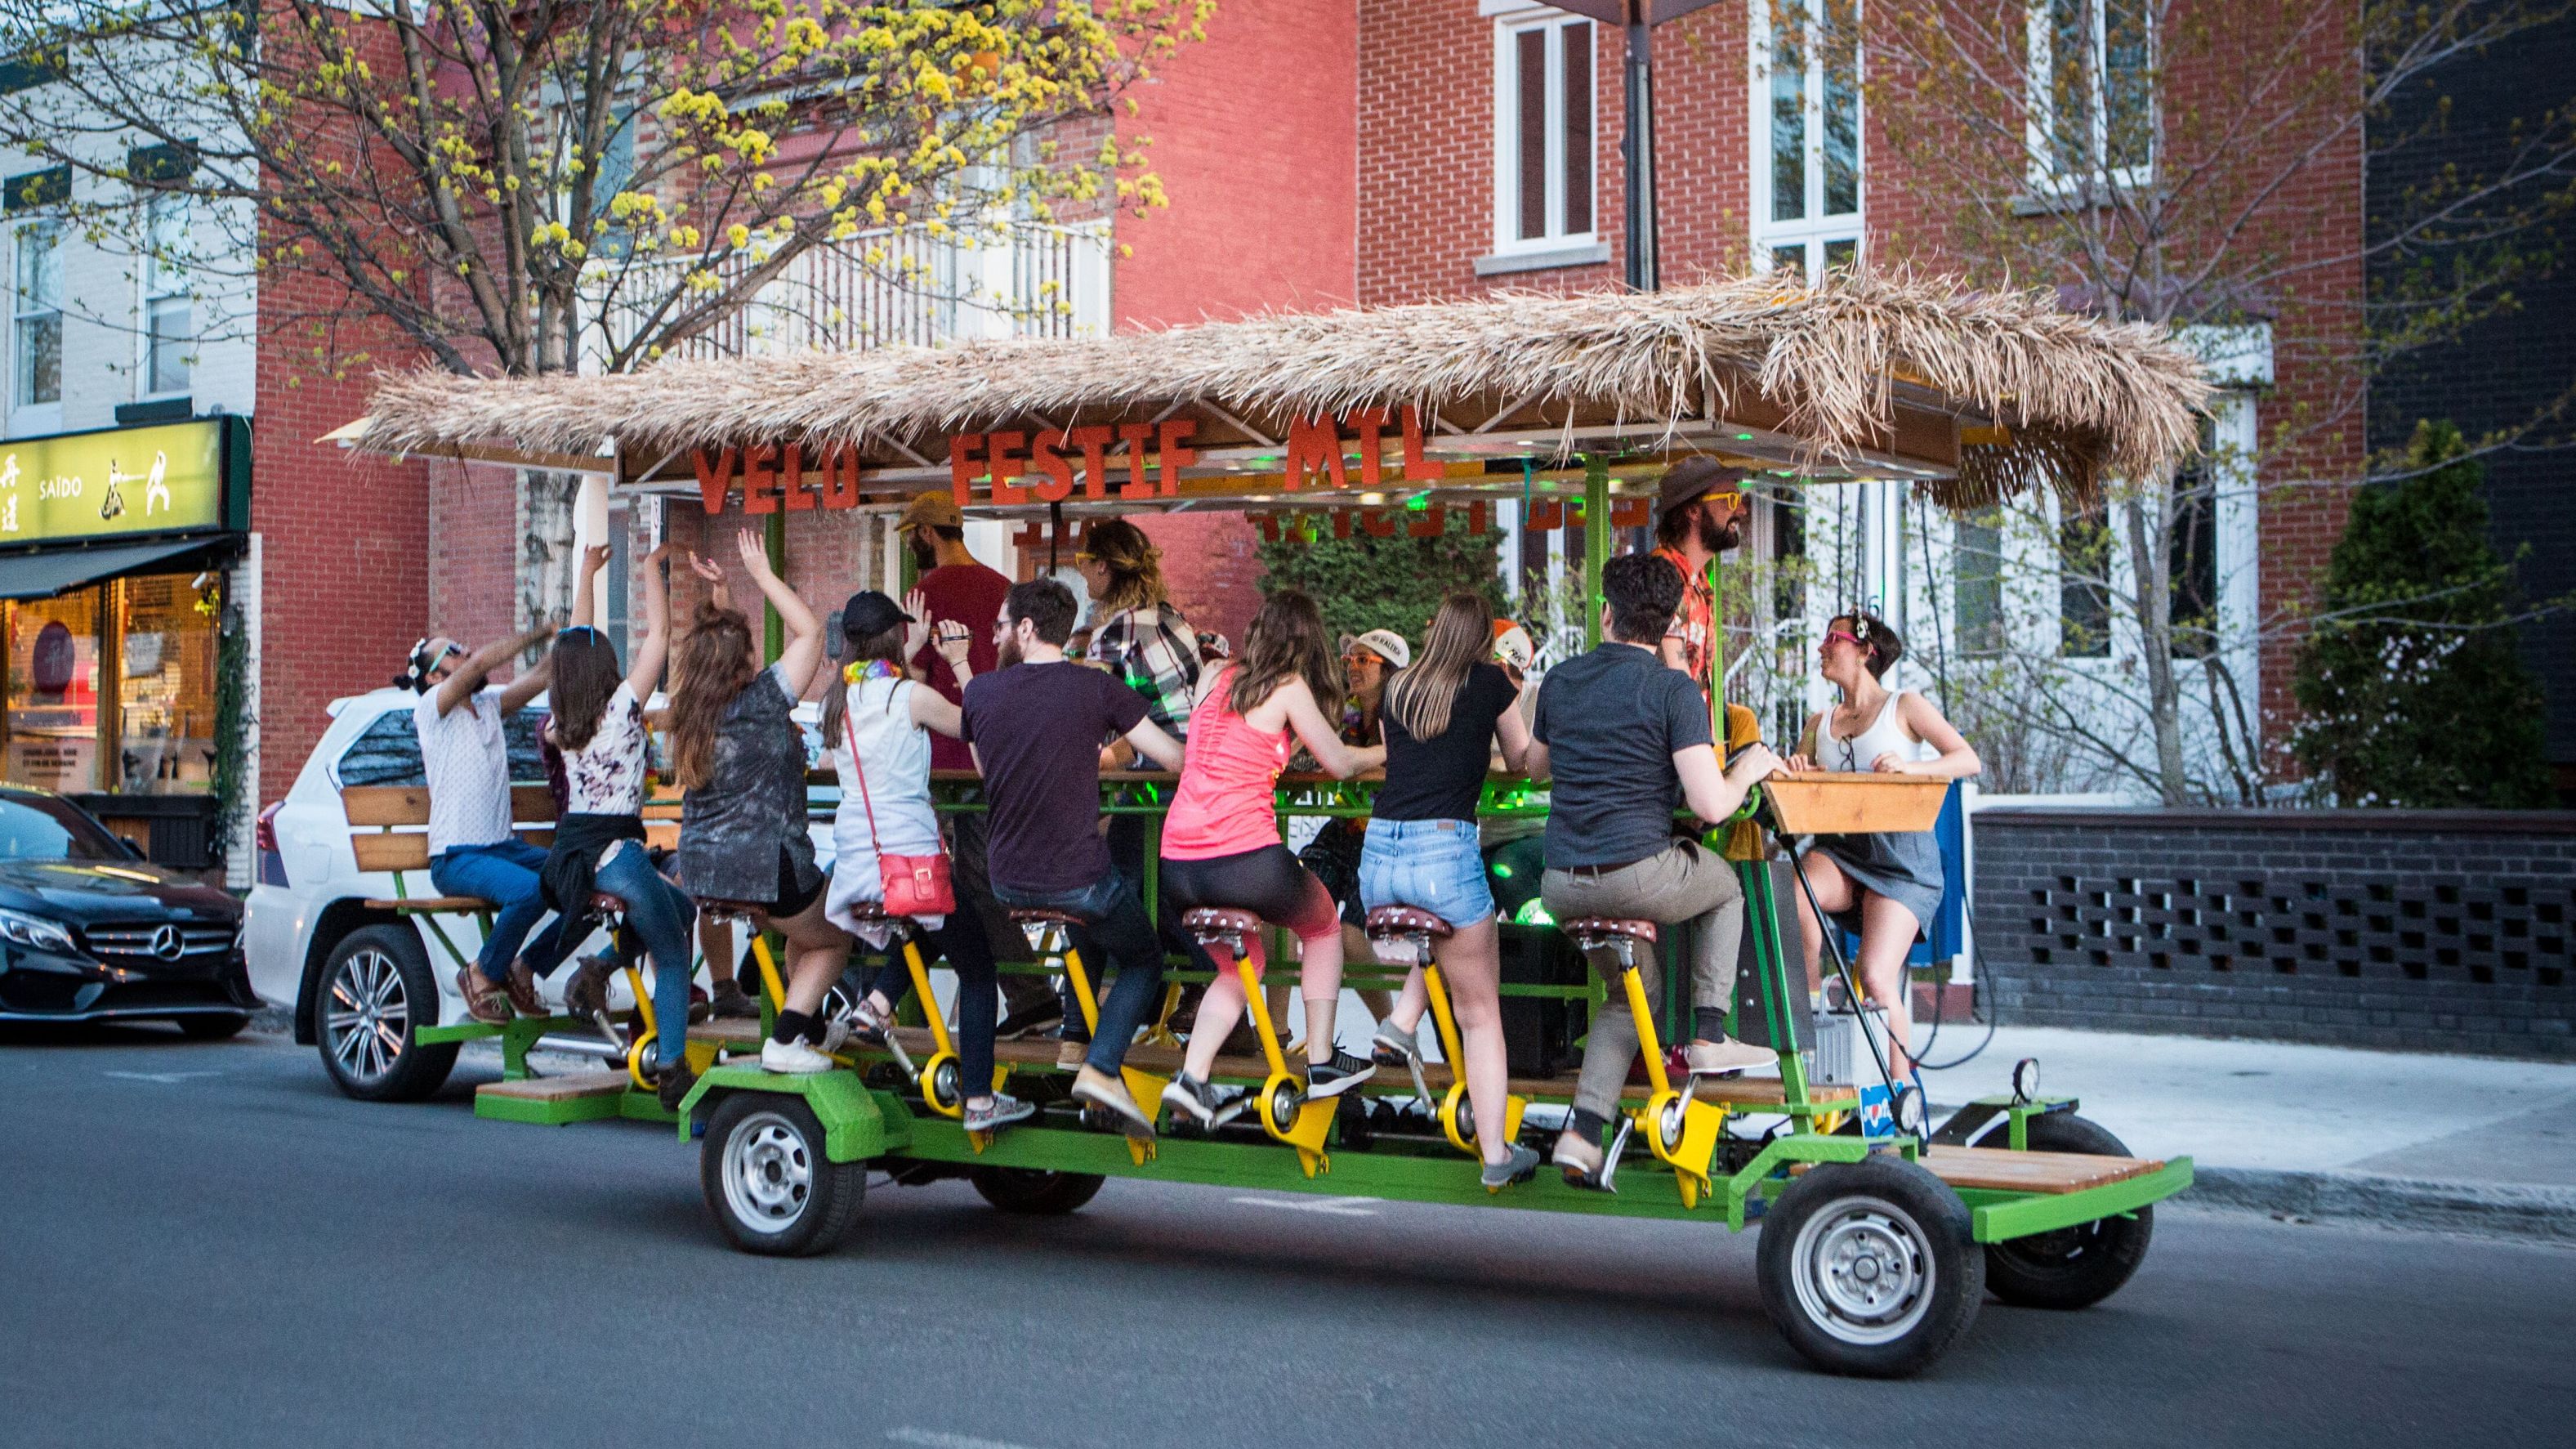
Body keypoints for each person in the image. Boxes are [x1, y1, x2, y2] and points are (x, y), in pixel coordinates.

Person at [1526, 552, 1782, 1189]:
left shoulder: (1560, 678)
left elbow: (1534, 767)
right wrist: (1748, 767)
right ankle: (1709, 1033)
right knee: (1724, 887)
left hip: (1560, 882)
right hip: (1637, 873)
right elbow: (1710, 805)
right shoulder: (1673, 690)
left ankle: (1584, 1133)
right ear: (1670, 625)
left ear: (1605, 615)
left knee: (1628, 993)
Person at [961, 577, 1185, 1135]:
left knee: (1091, 925)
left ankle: (1074, 1036)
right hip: (1077, 878)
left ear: (1027, 628)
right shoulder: (1096, 689)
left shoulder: (980, 692)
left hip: (1006, 877)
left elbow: (988, 769)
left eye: (1004, 624)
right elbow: (1173, 758)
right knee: (1144, 955)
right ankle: (1100, 1067)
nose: (999, 633)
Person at [1158, 590, 1388, 1126]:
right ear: (1306, 642)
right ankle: (1324, 1061)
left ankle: (1191, 1078)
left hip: (1177, 863)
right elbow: (1340, 762)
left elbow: (1232, 744)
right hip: (1243, 856)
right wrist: (1386, 751)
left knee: (1242, 966)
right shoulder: (1287, 685)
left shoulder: (1214, 675)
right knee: (1323, 925)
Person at [822, 588, 1033, 1134]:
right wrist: (958, 662)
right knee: (977, 967)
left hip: (858, 863)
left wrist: (911, 655)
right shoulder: (910, 697)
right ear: (894, 637)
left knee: (930, 923)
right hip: (908, 862)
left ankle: (876, 1003)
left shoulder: (838, 701)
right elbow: (976, 723)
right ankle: (979, 1098)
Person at [1353, 593, 1543, 1188]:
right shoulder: (1489, 683)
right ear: (1483, 640)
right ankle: (1495, 1154)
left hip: (1379, 858)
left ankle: (1403, 1019)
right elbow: (1521, 759)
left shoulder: (1399, 687)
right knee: (1479, 1013)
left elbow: (1410, 758)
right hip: (1442, 852)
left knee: (1444, 935)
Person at [667, 530, 844, 1098]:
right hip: (765, 865)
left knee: (802, 931)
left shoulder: (690, 711)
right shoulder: (764, 700)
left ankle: (807, 1024)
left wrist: (721, 595)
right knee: (836, 934)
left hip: (703, 869)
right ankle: (786, 1038)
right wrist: (762, 576)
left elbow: (714, 647)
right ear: (743, 662)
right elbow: (810, 633)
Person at [534, 545, 699, 1111]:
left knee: (683, 911)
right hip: (620, 857)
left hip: (576, 856)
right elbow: (660, 635)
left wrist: (585, 573)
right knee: (672, 953)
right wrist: (651, 569)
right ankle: (672, 1065)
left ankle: (599, 966)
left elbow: (574, 646)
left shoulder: (561, 724)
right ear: (605, 667)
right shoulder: (623, 708)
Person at [1784, 610, 1981, 1081]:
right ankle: (1809, 1016)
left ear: (1865, 651)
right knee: (1796, 889)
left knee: (1875, 976)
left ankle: (1899, 1092)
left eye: (1833, 639)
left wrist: (1911, 769)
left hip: (1901, 864)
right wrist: (1798, 771)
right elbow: (1798, 792)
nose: (1822, 648)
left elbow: (1967, 760)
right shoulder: (1818, 723)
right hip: (1843, 855)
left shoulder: (1905, 705)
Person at [896, 488, 1063, 1040]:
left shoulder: (922, 594)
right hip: (1005, 755)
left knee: (952, 879)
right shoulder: (1005, 589)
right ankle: (1018, 993)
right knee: (972, 877)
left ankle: (1026, 994)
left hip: (946, 760)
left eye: (913, 535)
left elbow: (915, 681)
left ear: (926, 533)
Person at [402, 622, 565, 1024]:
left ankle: (522, 968)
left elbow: (542, 675)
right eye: (453, 651)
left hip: (502, 847)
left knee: (580, 880)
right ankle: (481, 973)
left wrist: (568, 638)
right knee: (529, 892)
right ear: (433, 677)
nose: (465, 651)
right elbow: (479, 665)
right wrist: (539, 632)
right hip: (456, 856)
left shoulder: (489, 706)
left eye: (461, 646)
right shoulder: (433, 707)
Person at [1649, 457, 1753, 695]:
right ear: (1693, 511)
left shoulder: (1700, 582)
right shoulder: (1660, 577)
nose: (1741, 510)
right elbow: (1675, 682)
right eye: (1731, 499)